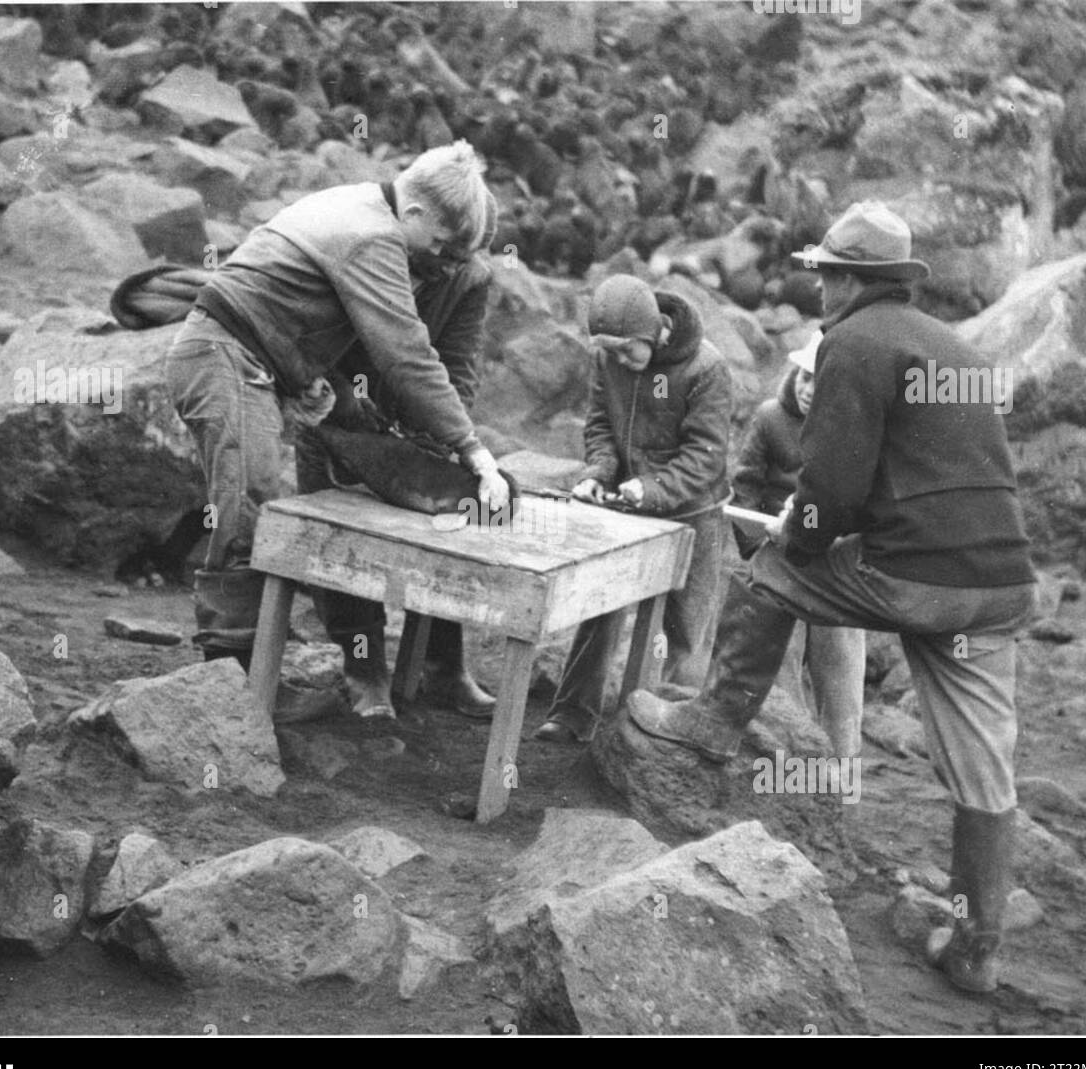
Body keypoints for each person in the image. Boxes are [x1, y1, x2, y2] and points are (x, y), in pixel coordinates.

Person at [624, 201, 1036, 994]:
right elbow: (931, 479)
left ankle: (712, 723)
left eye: (823, 275)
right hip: (998, 583)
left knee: (771, 572)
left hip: (918, 576)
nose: (816, 288)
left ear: (849, 280)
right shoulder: (950, 345)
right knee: (987, 774)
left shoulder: (850, 343)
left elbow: (833, 488)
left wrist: (800, 536)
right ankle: (977, 945)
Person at [166, 141, 510, 710]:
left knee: (253, 508)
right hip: (225, 356)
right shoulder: (373, 236)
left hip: (256, 366)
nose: (445, 260)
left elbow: (445, 359)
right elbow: (404, 351)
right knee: (248, 510)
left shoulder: (369, 213)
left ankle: (252, 682)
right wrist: (473, 449)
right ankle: (235, 692)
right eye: (443, 244)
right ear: (419, 214)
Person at [297, 189, 502, 720]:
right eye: (444, 252)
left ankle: (441, 666)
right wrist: (343, 400)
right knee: (345, 550)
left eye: (461, 258)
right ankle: (364, 672)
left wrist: (449, 438)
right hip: (335, 418)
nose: (446, 266)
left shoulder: (469, 278)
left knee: (447, 535)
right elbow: (311, 340)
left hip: (413, 424)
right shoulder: (368, 248)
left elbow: (456, 365)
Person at [535, 274, 733, 744]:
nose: (620, 361)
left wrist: (653, 489)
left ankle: (674, 736)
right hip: (627, 506)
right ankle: (574, 713)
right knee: (600, 605)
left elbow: (705, 455)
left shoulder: (707, 368)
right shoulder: (608, 359)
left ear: (655, 332)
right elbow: (601, 425)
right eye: (612, 353)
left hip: (694, 513)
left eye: (629, 351)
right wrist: (597, 475)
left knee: (686, 628)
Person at [732, 330, 866, 761]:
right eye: (806, 377)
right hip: (778, 558)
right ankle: (788, 762)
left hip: (836, 561)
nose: (810, 390)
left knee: (840, 677)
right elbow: (746, 484)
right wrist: (756, 545)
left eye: (822, 382)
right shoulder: (770, 418)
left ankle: (842, 775)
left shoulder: (857, 430)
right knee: (779, 669)